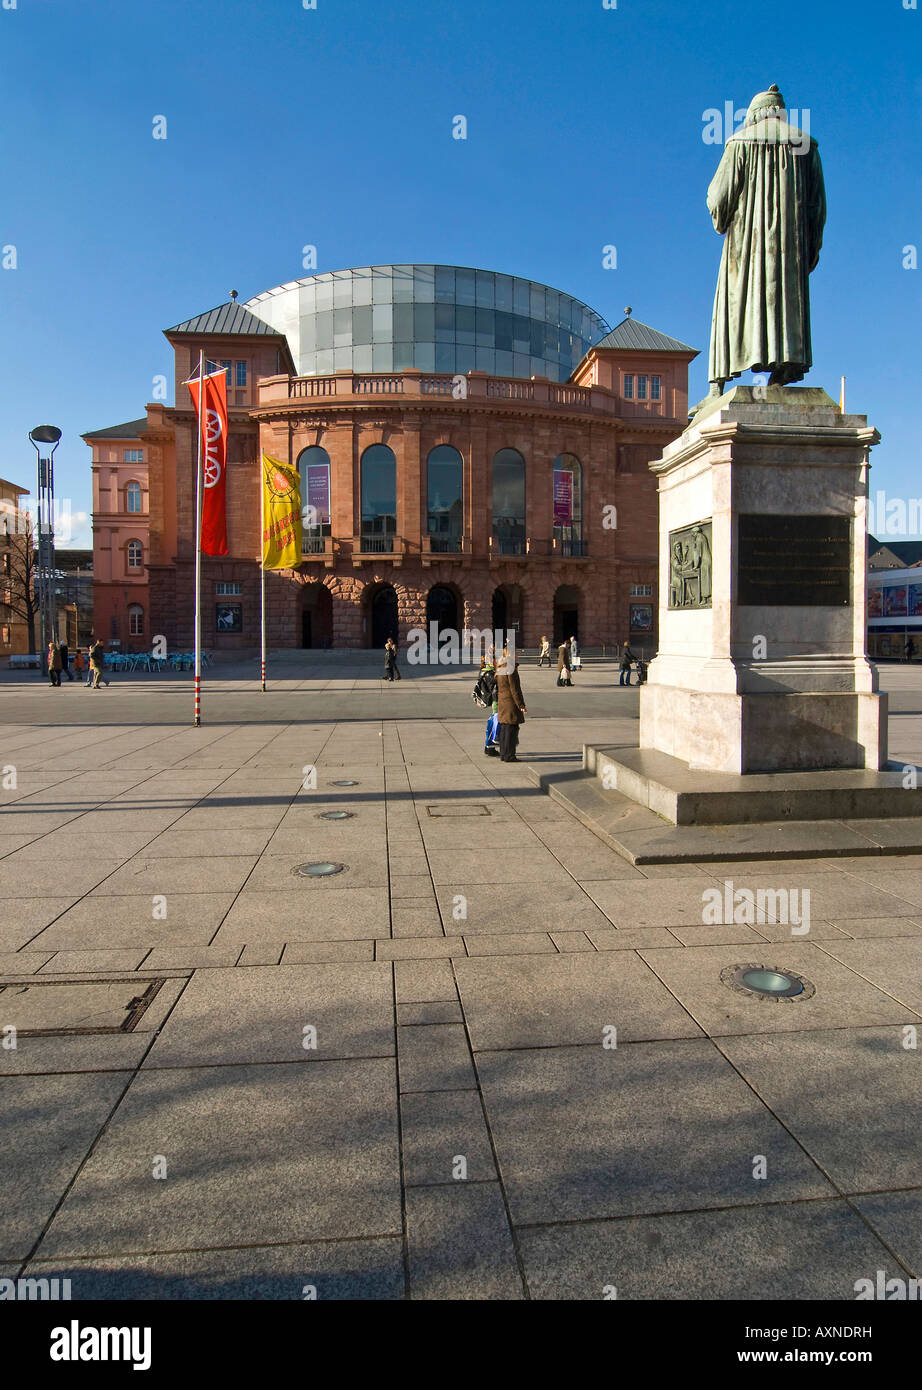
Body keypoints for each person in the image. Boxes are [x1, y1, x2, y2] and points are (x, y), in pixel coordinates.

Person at [495, 643, 526, 762]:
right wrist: (521, 705)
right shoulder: (510, 667)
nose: (517, 655)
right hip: (510, 703)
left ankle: (504, 754)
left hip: (503, 701)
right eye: (516, 653)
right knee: (511, 730)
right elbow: (515, 689)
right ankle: (509, 755)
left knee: (504, 728)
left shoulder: (501, 666)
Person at [474, 648, 500, 757]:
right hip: (496, 701)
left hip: (496, 701)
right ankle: (489, 747)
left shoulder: (486, 670)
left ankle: (489, 747)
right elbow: (497, 686)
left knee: (494, 725)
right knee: (495, 726)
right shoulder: (489, 673)